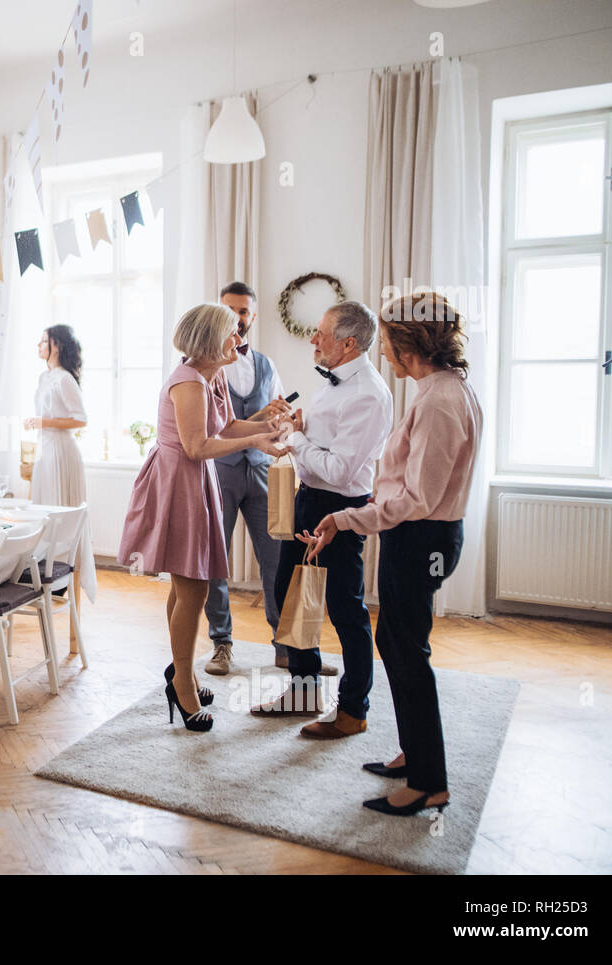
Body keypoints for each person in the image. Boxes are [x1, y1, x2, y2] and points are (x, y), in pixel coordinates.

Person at [298, 292, 482, 815]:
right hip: (421, 535)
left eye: (390, 342)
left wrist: (344, 517)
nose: (383, 354)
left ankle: (428, 783)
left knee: (406, 653)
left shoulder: (440, 400)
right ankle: (414, 753)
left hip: (423, 537)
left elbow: (417, 499)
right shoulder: (442, 389)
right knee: (400, 644)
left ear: (409, 343)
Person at [118, 304, 285, 732]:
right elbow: (196, 446)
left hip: (197, 481)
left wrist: (265, 431)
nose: (239, 341)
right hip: (178, 482)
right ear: (212, 339)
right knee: (192, 589)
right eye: (233, 334)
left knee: (187, 586)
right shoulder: (188, 382)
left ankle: (183, 673)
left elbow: (227, 427)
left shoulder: (214, 376)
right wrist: (263, 439)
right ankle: (183, 688)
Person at [250, 300, 392, 741]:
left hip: (341, 508)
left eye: (322, 333)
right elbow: (326, 437)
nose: (313, 339)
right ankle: (304, 691)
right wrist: (302, 422)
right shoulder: (334, 380)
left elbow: (339, 470)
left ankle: (354, 708)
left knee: (344, 609)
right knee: (292, 595)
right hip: (307, 500)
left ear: (348, 343)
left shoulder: (369, 394)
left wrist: (294, 439)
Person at [202, 281, 330, 678]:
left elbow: (277, 430)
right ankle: (221, 643)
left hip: (262, 472)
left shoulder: (266, 365)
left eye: (243, 311)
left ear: (252, 317)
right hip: (219, 472)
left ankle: (287, 645)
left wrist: (281, 420)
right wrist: (259, 420)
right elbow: (213, 430)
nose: (237, 318)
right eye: (229, 310)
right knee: (214, 562)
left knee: (279, 560)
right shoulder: (205, 367)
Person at [25, 325, 87, 506]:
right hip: (44, 448)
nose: (39, 344)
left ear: (57, 346)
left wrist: (43, 422)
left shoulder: (64, 378)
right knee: (43, 504)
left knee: (58, 506)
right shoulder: (44, 377)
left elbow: (80, 419)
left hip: (61, 450)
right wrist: (36, 422)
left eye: (44, 341)